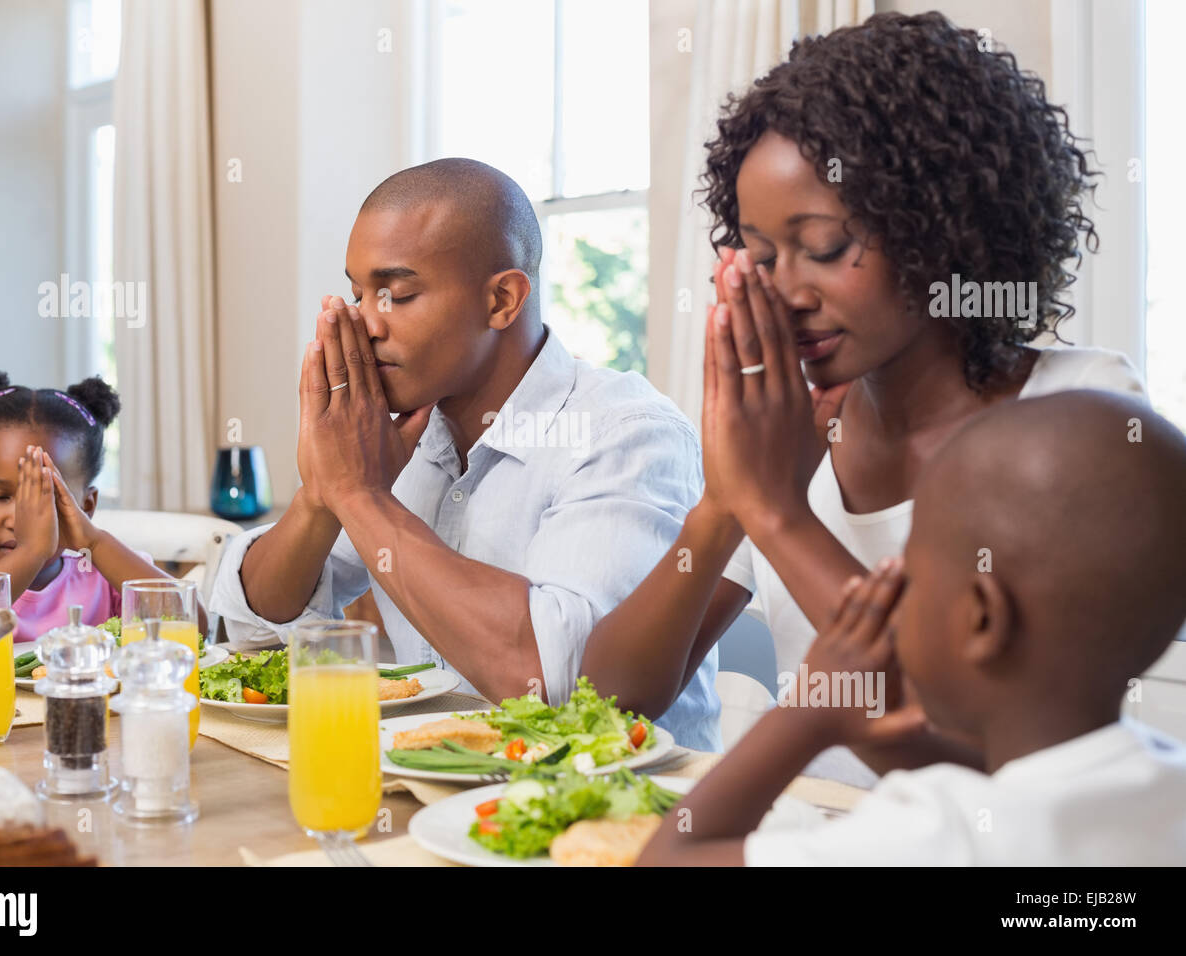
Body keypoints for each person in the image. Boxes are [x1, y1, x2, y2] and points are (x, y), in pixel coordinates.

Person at [580, 11, 1142, 783]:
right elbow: (612, 698)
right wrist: (723, 508)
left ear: (942, 228)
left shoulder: (1083, 413)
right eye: (762, 256)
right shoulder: (792, 432)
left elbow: (986, 739)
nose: (787, 292)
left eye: (824, 249)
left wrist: (778, 513)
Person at [209, 158, 720, 750]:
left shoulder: (627, 433)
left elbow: (554, 682)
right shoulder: (401, 439)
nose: (366, 323)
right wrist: (322, 498)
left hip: (612, 819)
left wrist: (359, 496)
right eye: (357, 293)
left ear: (502, 299)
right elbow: (255, 625)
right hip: (433, 799)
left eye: (396, 294)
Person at [638, 391, 1186, 865]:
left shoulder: (941, 832)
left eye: (909, 575)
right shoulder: (1168, 783)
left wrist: (805, 716)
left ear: (982, 618)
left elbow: (667, 859)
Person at [0, 362, 194, 673]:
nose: (20, 519)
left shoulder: (104, 575)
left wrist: (94, 541)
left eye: (46, 496)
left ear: (86, 505)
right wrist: (30, 553)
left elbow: (194, 634)